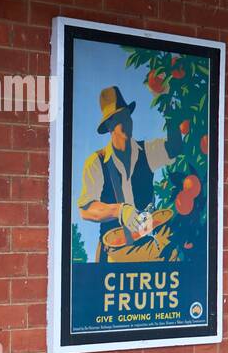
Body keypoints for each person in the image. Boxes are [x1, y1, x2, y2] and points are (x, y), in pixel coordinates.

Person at [78, 86, 184, 262]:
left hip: (150, 244)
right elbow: (86, 210)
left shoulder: (147, 152)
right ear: (109, 126)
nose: (126, 122)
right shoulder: (96, 163)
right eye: (119, 118)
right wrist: (119, 210)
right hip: (115, 250)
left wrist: (167, 106)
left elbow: (175, 147)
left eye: (127, 116)